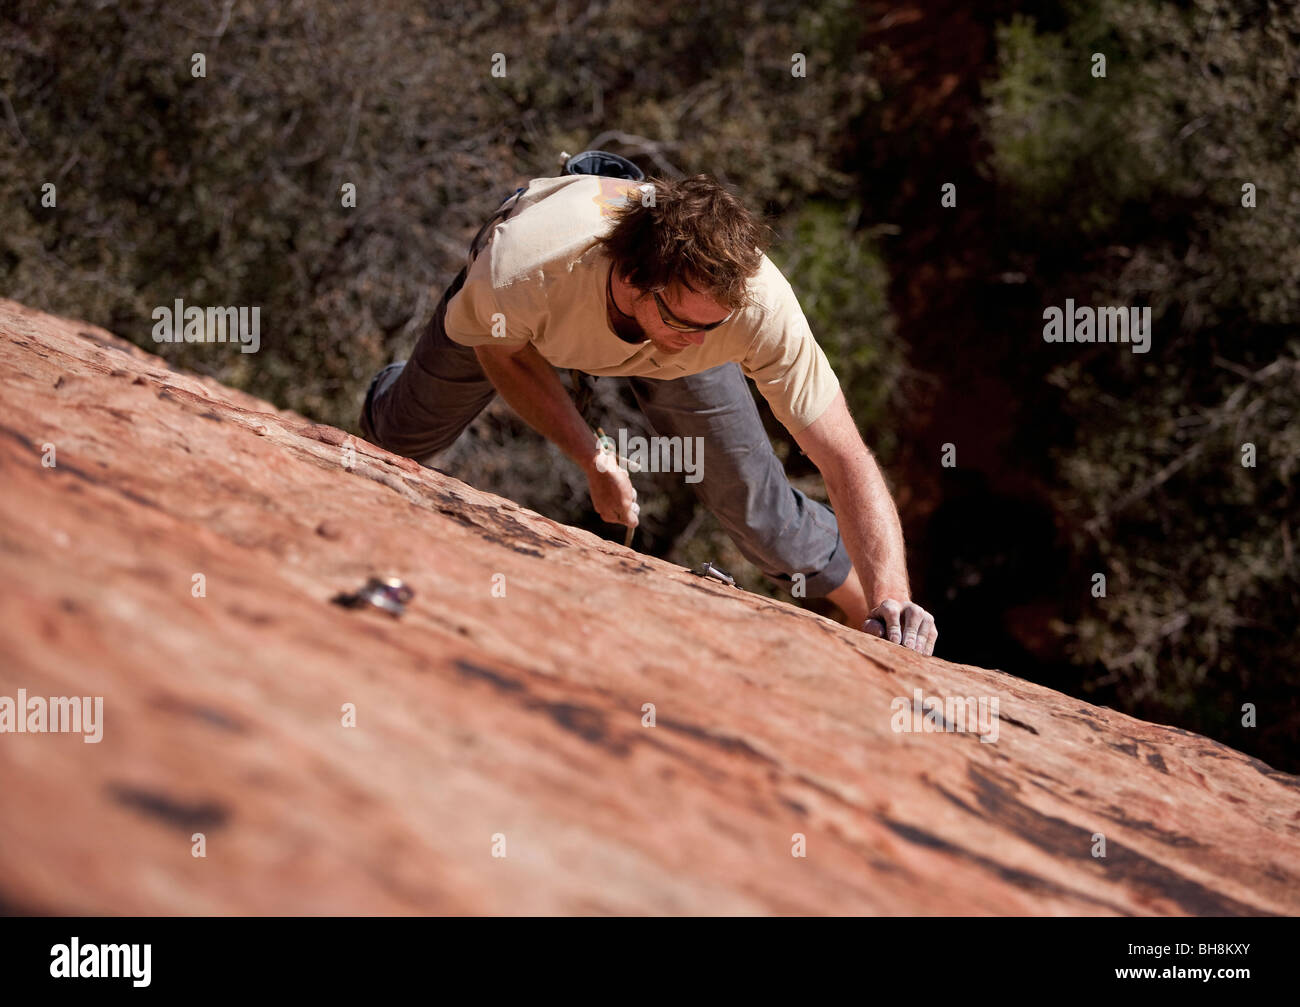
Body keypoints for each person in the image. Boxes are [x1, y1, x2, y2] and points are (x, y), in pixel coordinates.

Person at [360, 166, 937, 654]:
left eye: (716, 326)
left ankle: (871, 615)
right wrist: (591, 457)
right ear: (636, 280)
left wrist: (894, 598)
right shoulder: (525, 266)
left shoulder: (749, 308)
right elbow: (503, 356)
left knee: (762, 515)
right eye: (688, 323)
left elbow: (844, 458)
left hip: (658, 341)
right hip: (520, 324)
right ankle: (387, 395)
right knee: (401, 436)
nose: (700, 338)